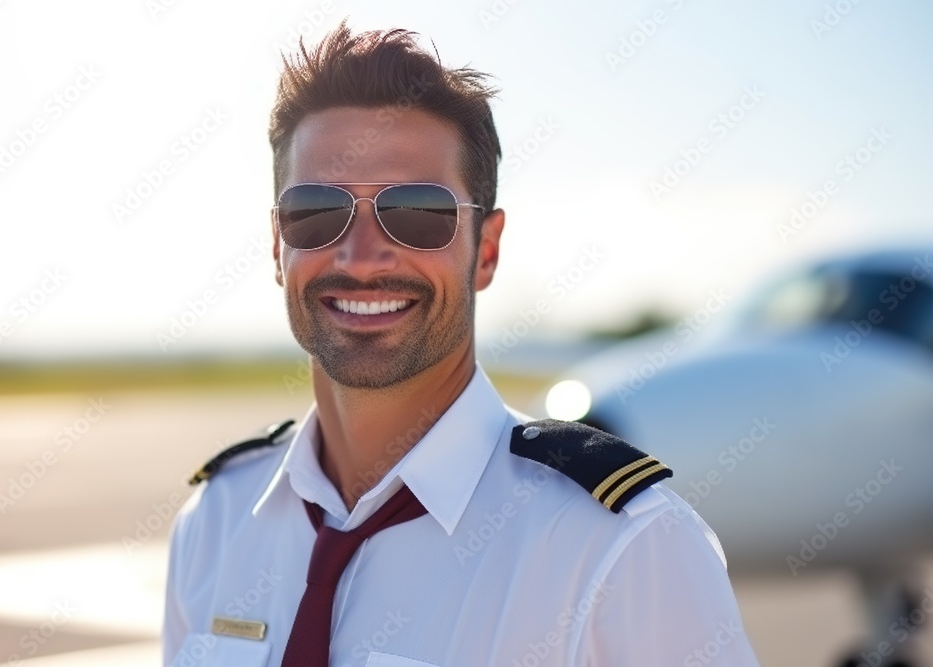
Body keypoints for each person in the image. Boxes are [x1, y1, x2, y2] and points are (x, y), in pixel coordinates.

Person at [163, 21, 761, 667]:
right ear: (278, 244)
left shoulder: (622, 549)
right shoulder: (214, 520)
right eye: (316, 211)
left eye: (418, 212)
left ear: (487, 250)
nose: (361, 258)